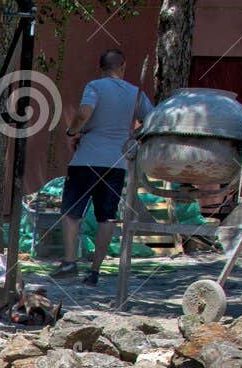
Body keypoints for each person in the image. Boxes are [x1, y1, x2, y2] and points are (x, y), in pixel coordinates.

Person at [56, 49, 152, 286]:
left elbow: (84, 112)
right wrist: (132, 135)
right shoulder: (135, 93)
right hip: (116, 162)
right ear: (123, 66)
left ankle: (69, 262)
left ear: (101, 68)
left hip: (87, 159)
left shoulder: (95, 87)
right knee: (106, 218)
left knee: (71, 212)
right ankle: (95, 271)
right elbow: (152, 119)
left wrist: (72, 132)